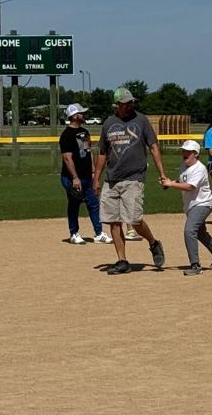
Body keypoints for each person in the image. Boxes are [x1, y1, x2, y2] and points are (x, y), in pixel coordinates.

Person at [94, 87, 167, 275]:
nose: (129, 106)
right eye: (125, 104)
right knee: (113, 220)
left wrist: (162, 173)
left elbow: (153, 146)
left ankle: (153, 243)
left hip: (134, 177)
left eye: (131, 103)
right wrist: (96, 179)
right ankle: (122, 260)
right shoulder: (109, 124)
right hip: (112, 179)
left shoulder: (141, 120)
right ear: (117, 105)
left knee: (134, 219)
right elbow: (102, 153)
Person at [161, 140, 212, 276]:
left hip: (203, 204)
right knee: (199, 232)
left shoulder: (200, 168)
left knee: (189, 230)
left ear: (196, 154)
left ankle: (195, 265)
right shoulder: (183, 167)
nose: (184, 153)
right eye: (183, 151)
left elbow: (190, 186)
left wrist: (171, 184)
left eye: (188, 152)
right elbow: (182, 181)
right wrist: (169, 183)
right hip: (191, 206)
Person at [59, 103, 113, 245]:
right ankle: (74, 233)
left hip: (87, 176)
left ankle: (99, 233)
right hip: (71, 177)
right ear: (74, 116)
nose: (83, 115)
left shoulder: (84, 132)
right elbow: (67, 158)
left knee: (93, 204)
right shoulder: (66, 135)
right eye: (81, 113)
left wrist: (94, 170)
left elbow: (88, 152)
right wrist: (75, 178)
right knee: (74, 203)